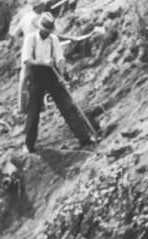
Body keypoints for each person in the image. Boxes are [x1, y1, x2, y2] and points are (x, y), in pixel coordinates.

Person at [21, 11, 97, 154]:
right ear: (40, 28)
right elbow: (27, 60)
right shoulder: (30, 39)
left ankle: (84, 138)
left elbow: (60, 58)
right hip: (36, 76)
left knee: (67, 106)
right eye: (44, 31)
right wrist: (44, 62)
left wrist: (61, 74)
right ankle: (28, 145)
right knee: (33, 112)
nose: (46, 33)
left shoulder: (53, 39)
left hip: (52, 75)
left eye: (48, 31)